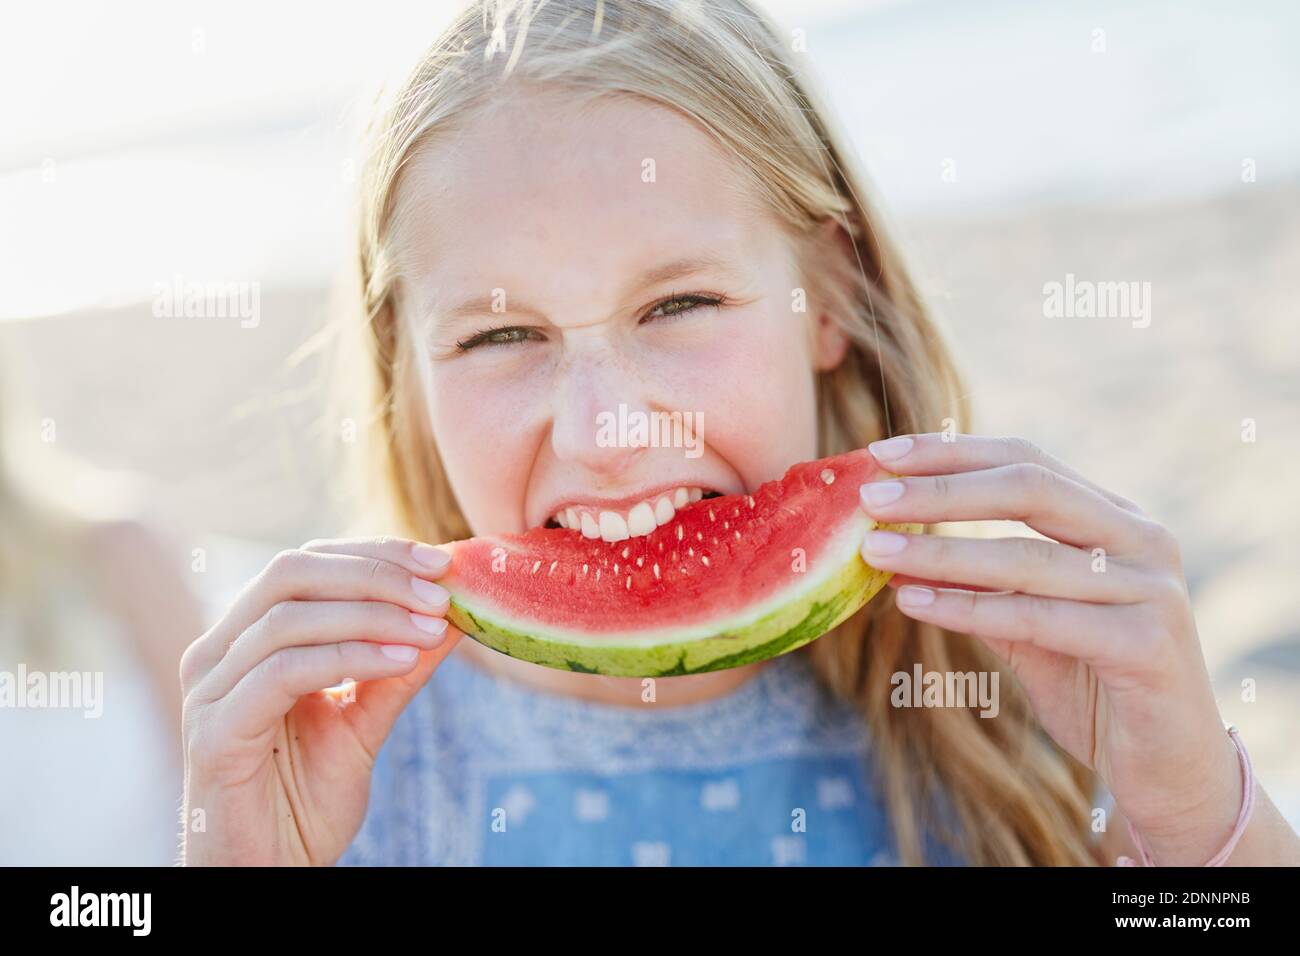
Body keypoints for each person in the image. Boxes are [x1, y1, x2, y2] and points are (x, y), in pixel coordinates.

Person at [179, 0, 1300, 866]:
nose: (605, 430)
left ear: (830, 288)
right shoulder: (342, 776)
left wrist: (1195, 807)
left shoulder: (1026, 689)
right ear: (404, 368)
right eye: (501, 333)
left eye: (678, 306)